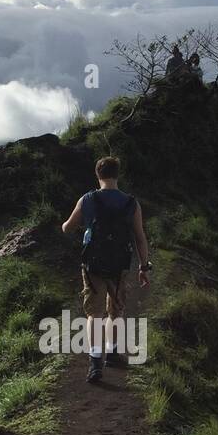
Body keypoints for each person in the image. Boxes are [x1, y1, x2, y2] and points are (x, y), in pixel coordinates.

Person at [61, 156, 151, 384]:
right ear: (117, 174)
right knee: (116, 309)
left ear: (97, 175)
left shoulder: (87, 199)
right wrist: (143, 267)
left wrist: (71, 224)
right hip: (120, 263)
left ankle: (95, 362)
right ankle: (112, 351)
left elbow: (68, 228)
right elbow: (140, 238)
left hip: (93, 264)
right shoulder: (132, 203)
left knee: (95, 313)